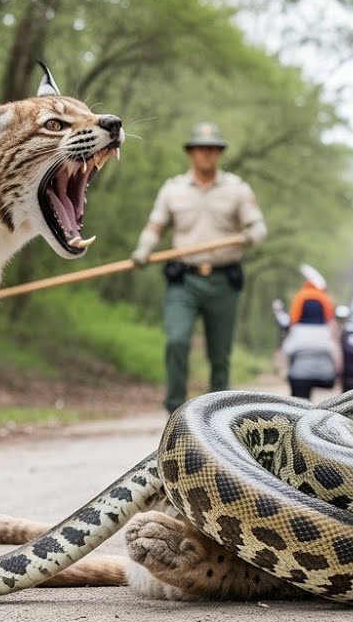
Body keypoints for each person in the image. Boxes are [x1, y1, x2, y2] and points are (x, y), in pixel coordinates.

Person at [131, 122, 268, 413]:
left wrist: (250, 236)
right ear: (190, 152)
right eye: (201, 149)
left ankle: (216, 417)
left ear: (219, 153)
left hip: (223, 280)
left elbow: (258, 228)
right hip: (184, 281)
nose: (206, 153)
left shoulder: (237, 189)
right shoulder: (173, 189)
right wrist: (143, 250)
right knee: (177, 340)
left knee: (220, 354)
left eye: (212, 149)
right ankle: (175, 410)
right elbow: (155, 227)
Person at [278, 264, 341, 401]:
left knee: (297, 387)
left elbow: (293, 321)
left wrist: (284, 369)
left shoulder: (299, 297)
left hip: (298, 369)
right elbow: (332, 323)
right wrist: (338, 372)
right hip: (325, 373)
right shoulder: (325, 298)